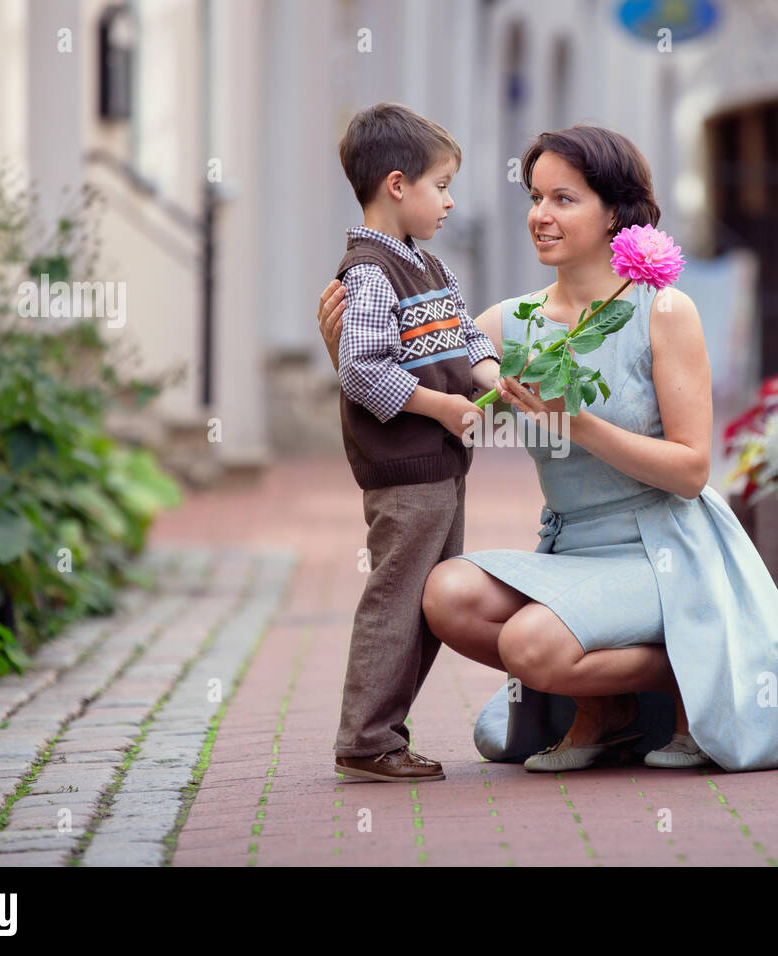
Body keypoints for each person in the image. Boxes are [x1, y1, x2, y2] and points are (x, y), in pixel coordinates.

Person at [318, 124, 778, 775]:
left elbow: (690, 471)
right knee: (446, 592)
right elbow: (441, 410)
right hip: (570, 551)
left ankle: (696, 675)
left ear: (614, 212)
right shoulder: (507, 324)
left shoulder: (664, 310)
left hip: (667, 551)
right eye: (535, 198)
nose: (540, 216)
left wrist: (580, 425)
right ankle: (609, 709)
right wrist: (345, 355)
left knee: (532, 644)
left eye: (563, 199)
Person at [324, 103, 501, 783]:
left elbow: (467, 338)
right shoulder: (369, 272)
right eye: (442, 184)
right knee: (397, 598)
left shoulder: (429, 268)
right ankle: (365, 740)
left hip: (441, 464)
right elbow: (364, 369)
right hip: (405, 470)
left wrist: (493, 379)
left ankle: (383, 733)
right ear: (398, 186)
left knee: (426, 603)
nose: (451, 202)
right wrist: (442, 407)